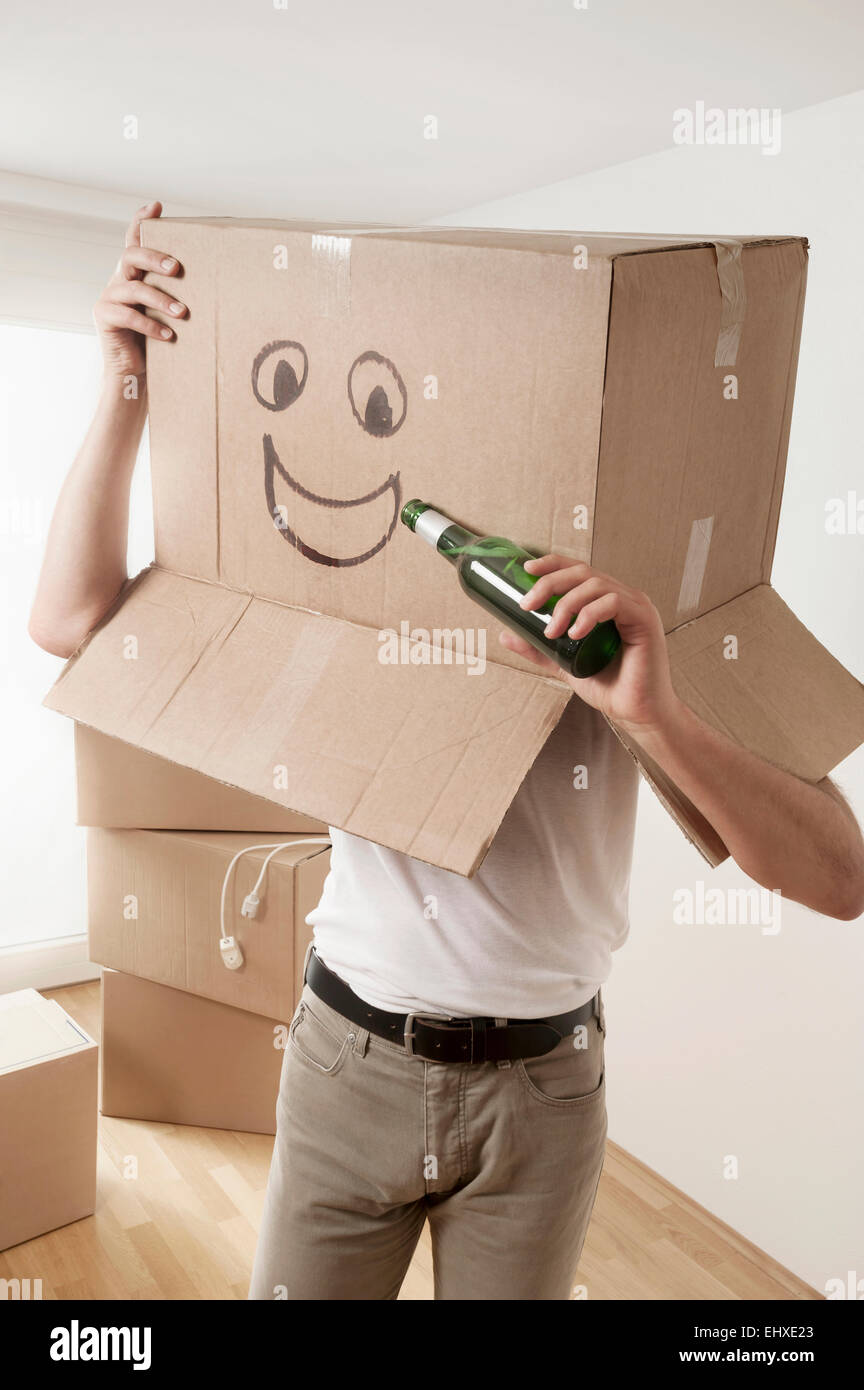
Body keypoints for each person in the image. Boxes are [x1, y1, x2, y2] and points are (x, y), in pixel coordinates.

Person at [30, 201, 864, 1302]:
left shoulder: (627, 610)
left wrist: (655, 710)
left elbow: (840, 877)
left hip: (544, 1093)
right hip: (347, 1058)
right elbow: (69, 621)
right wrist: (128, 384)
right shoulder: (352, 575)